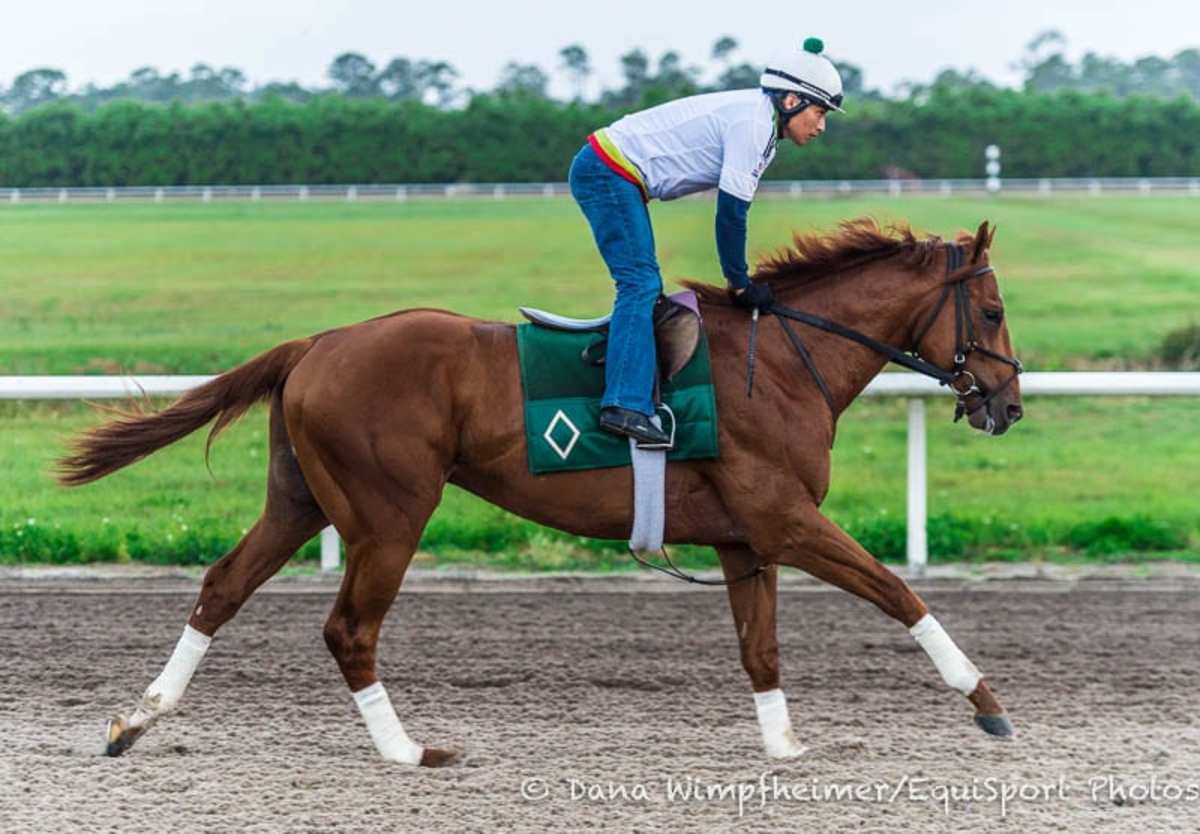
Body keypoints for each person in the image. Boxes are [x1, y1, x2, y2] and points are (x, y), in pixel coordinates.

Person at [568, 38, 844, 447]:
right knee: (640, 283)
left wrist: (740, 279)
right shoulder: (752, 125)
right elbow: (730, 214)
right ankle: (624, 405)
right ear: (790, 100)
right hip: (607, 171)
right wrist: (740, 283)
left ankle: (620, 351)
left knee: (644, 284)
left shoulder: (762, 126)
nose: (821, 126)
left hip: (615, 171)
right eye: (819, 112)